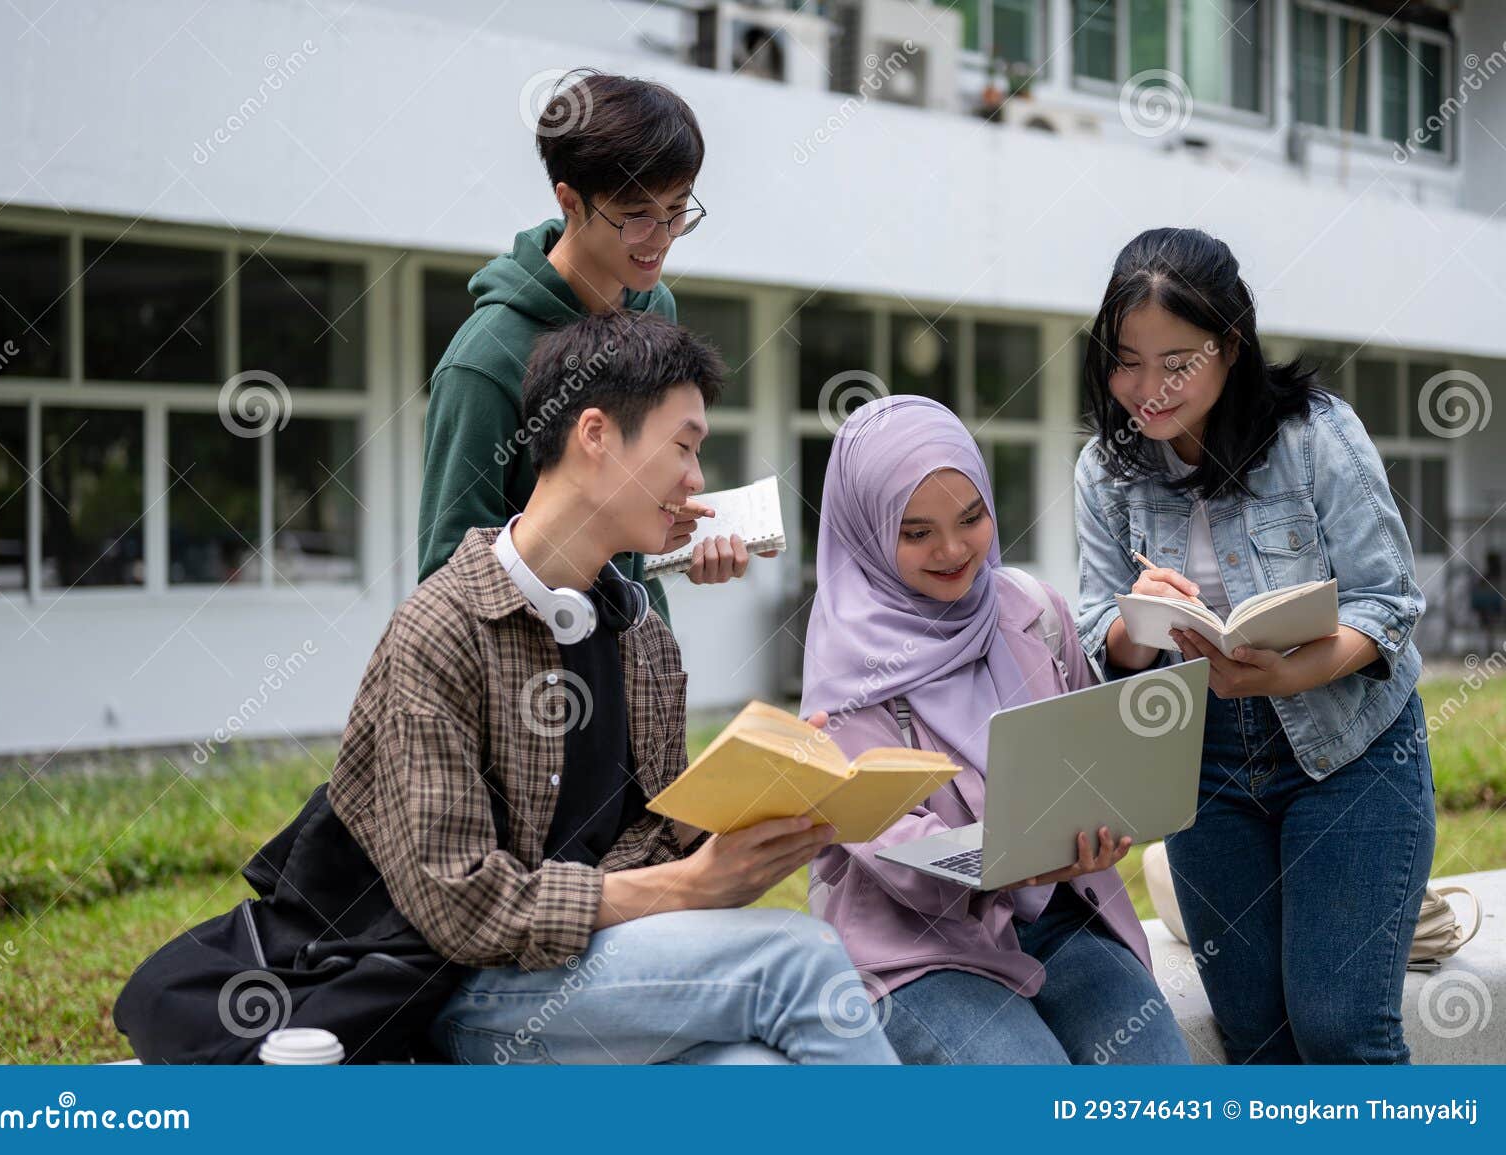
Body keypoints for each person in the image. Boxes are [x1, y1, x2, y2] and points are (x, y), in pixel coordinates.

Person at [332, 310, 898, 1065]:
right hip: (471, 989)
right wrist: (690, 886)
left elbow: (652, 835)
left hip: (601, 969)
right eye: (684, 448)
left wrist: (766, 793)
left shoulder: (639, 632)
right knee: (796, 959)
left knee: (758, 1074)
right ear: (595, 435)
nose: (698, 480)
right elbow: (460, 905)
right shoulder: (441, 630)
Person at [1074, 227, 1436, 1063]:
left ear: (1230, 346)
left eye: (1177, 362)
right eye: (1126, 360)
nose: (1147, 388)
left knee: (1341, 1028)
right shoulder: (1107, 470)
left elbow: (1389, 602)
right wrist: (1137, 624)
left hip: (1349, 750)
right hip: (1202, 767)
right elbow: (1098, 634)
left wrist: (1295, 669)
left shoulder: (1316, 436)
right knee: (1257, 1038)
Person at [800, 395, 1188, 1065]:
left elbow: (1094, 749)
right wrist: (1024, 853)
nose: (953, 549)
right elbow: (898, 852)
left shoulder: (1033, 611)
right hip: (915, 946)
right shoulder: (847, 664)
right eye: (916, 531)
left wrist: (1104, 818)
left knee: (1153, 1071)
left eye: (972, 517)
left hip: (1054, 916)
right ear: (866, 530)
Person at [418, 69, 763, 621]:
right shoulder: (484, 361)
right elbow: (445, 575)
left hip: (637, 644)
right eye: (636, 218)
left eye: (677, 210)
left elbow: (626, 517)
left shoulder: (655, 309)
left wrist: (676, 538)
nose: (661, 238)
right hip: (539, 673)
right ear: (570, 200)